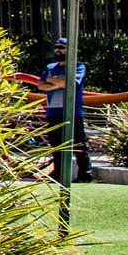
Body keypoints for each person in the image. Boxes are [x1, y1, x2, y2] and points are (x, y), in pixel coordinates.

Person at [42, 39, 93, 182]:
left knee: (78, 144)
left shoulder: (78, 66)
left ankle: (85, 174)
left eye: (61, 47)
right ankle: (58, 173)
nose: (58, 50)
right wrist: (59, 83)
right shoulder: (50, 67)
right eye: (56, 47)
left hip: (72, 112)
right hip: (54, 112)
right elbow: (41, 85)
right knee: (56, 144)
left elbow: (72, 82)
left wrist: (52, 81)